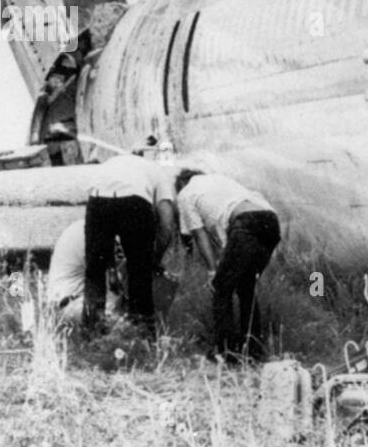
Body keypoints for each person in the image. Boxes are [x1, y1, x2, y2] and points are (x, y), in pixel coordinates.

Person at [175, 170, 281, 361]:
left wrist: (212, 270)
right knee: (246, 287)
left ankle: (225, 352)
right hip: (271, 221)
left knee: (220, 288)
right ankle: (254, 351)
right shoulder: (222, 180)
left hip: (245, 222)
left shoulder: (186, 193)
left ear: (181, 184)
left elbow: (199, 235)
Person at [83, 151, 177, 334]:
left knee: (94, 271)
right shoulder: (159, 173)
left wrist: (111, 268)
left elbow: (104, 243)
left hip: (97, 199)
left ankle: (92, 333)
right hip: (134, 201)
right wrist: (154, 260)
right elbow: (167, 224)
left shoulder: (113, 162)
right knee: (139, 273)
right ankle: (142, 334)